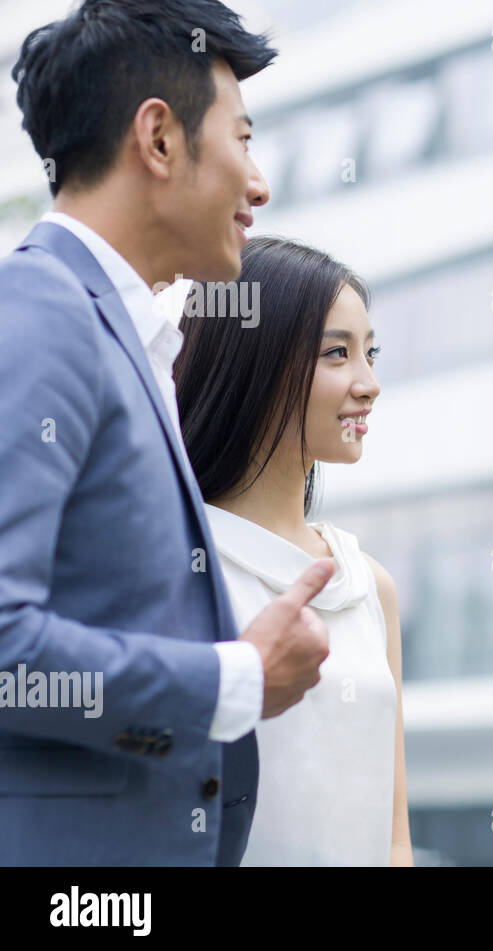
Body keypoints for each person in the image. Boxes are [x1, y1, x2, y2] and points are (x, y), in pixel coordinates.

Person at [0, 0, 334, 865]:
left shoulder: (126, 338)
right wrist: (236, 680)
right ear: (159, 139)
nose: (259, 185)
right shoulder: (40, 315)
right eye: (244, 139)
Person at [175, 236, 413, 866]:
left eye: (370, 353)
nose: (370, 384)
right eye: (338, 354)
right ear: (258, 360)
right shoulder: (177, 564)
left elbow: (393, 836)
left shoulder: (370, 586)